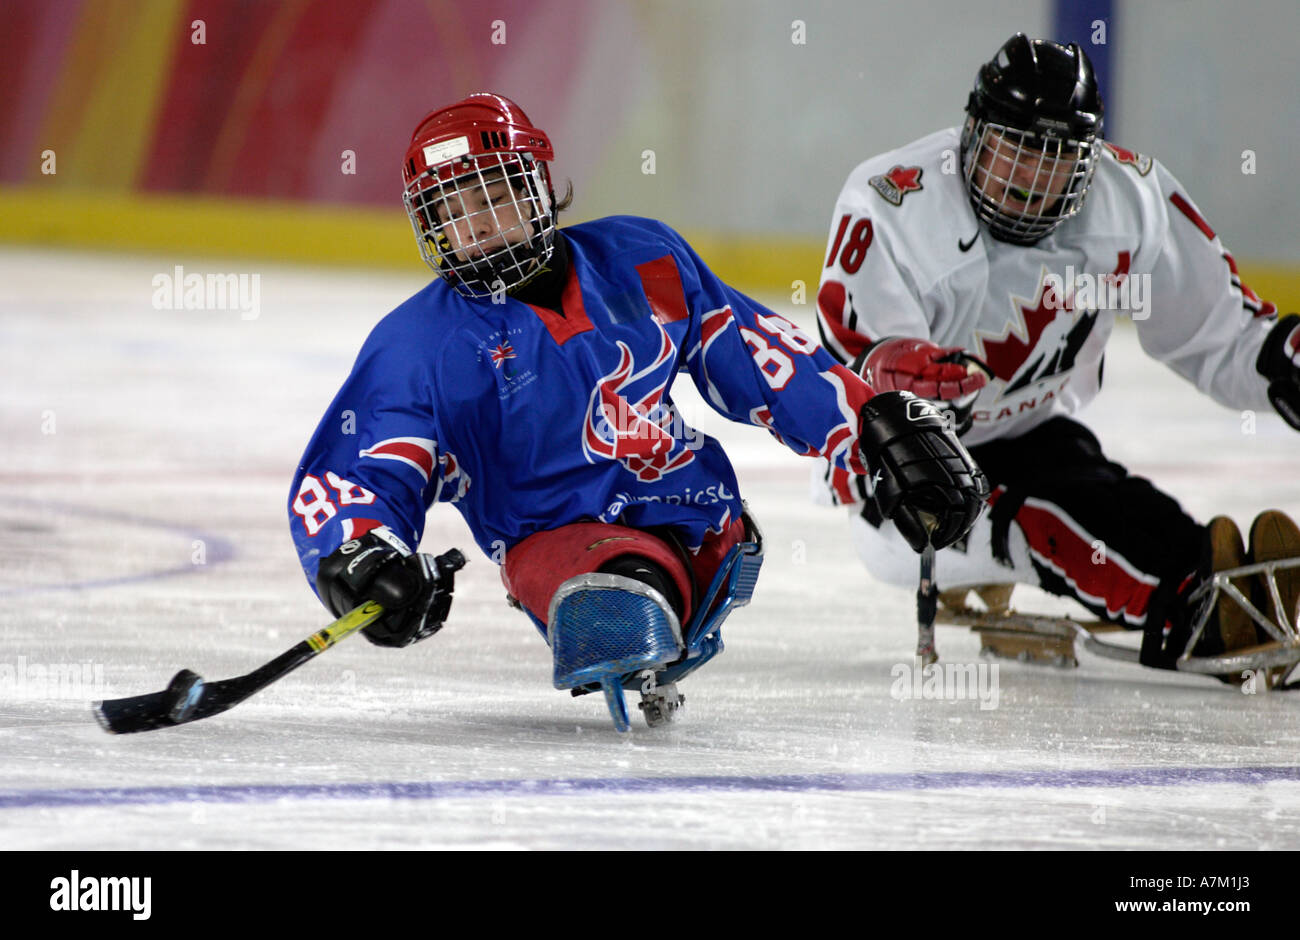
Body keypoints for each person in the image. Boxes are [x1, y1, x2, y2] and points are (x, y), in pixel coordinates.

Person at [288, 93, 987, 729]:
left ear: (538, 188)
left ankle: (669, 591)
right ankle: (630, 605)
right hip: (560, 546)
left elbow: (755, 355)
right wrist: (359, 552)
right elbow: (356, 473)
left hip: (693, 514)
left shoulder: (640, 257)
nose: (480, 226)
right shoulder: (418, 347)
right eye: (454, 212)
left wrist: (869, 427)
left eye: (494, 196)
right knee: (618, 593)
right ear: (431, 228)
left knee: (662, 577)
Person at [815, 34, 1300, 677]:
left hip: (1035, 434)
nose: (1026, 180)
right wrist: (895, 378)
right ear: (972, 134)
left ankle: (1215, 580)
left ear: (1089, 161)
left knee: (1114, 501)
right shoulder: (895, 205)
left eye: (1052, 158)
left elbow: (1219, 331)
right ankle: (1193, 612)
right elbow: (848, 379)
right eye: (1012, 151)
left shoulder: (1133, 202)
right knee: (1044, 520)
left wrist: (1279, 363)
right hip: (906, 483)